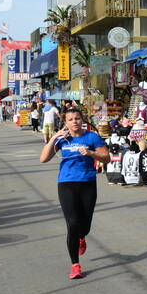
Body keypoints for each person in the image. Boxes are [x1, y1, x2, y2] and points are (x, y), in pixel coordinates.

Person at [40, 108, 109, 280]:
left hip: (87, 183)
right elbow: (43, 158)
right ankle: (75, 265)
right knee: (72, 223)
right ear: (66, 122)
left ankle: (82, 237)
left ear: (82, 119)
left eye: (77, 118)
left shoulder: (92, 137)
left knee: (84, 225)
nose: (74, 121)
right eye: (70, 119)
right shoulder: (63, 139)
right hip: (66, 183)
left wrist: (92, 153)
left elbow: (106, 157)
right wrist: (55, 137)